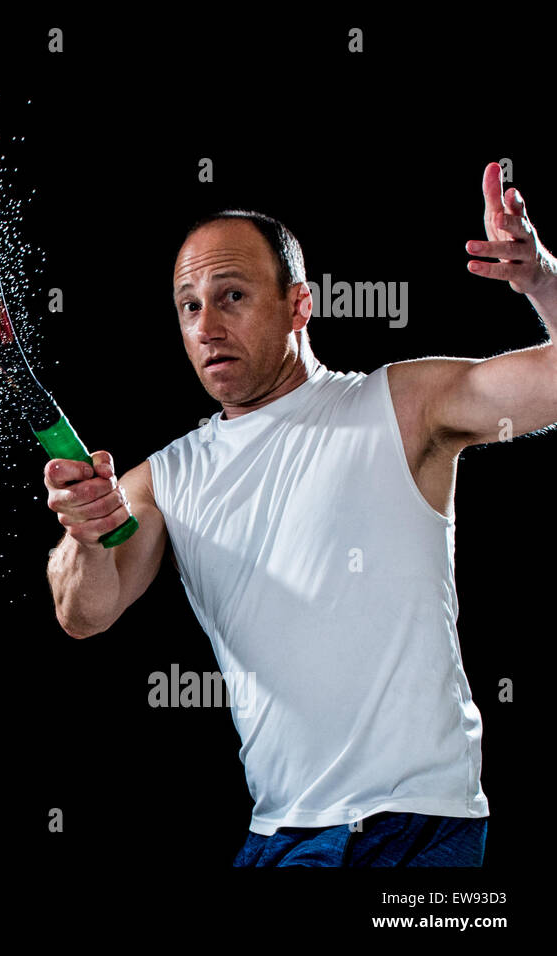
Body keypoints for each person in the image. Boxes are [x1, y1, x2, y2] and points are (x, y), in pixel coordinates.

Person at [44, 161, 557, 866]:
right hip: (281, 836)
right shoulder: (166, 478)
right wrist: (87, 535)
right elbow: (84, 612)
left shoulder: (401, 406)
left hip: (418, 827)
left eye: (232, 295)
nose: (207, 324)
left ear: (299, 306)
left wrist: (541, 280)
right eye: (189, 305)